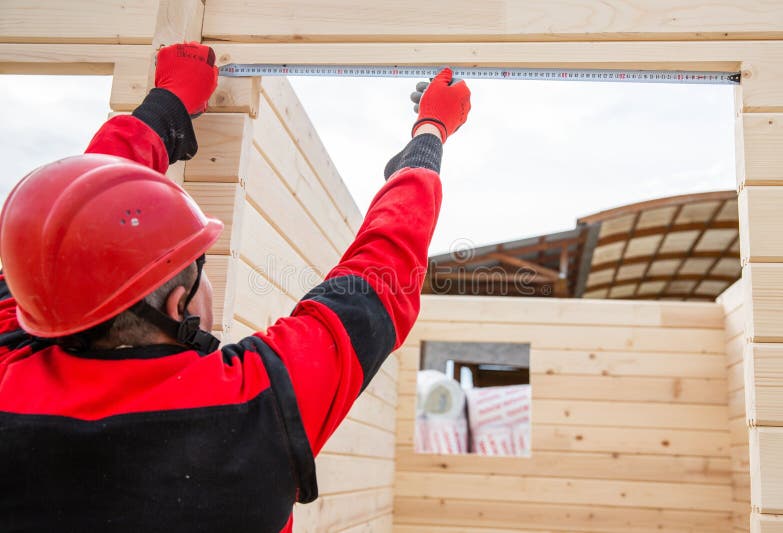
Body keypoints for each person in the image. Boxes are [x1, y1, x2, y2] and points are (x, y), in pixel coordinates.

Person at [0, 42, 470, 532]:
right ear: (180, 302)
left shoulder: (7, 371)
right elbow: (384, 266)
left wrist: (167, 106)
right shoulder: (254, 407)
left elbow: (70, 232)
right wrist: (428, 137)